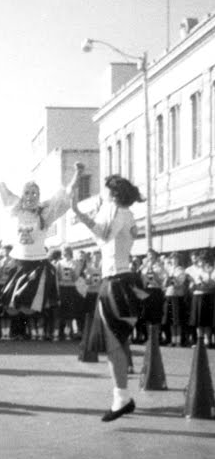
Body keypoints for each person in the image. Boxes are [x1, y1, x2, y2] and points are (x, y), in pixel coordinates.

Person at [71, 171, 149, 422]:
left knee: (113, 344)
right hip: (120, 279)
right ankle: (122, 396)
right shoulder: (125, 213)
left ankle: (122, 398)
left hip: (116, 281)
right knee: (118, 342)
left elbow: (104, 235)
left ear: (113, 194)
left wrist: (80, 214)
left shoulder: (117, 212)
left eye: (105, 191)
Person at [0, 156, 82, 341]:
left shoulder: (45, 213)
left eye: (35, 193)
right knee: (7, 301)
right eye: (28, 192)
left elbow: (65, 195)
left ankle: (48, 332)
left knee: (38, 304)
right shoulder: (15, 209)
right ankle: (2, 329)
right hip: (19, 261)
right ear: (23, 194)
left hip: (38, 263)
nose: (31, 196)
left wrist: (77, 174)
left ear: (39, 196)